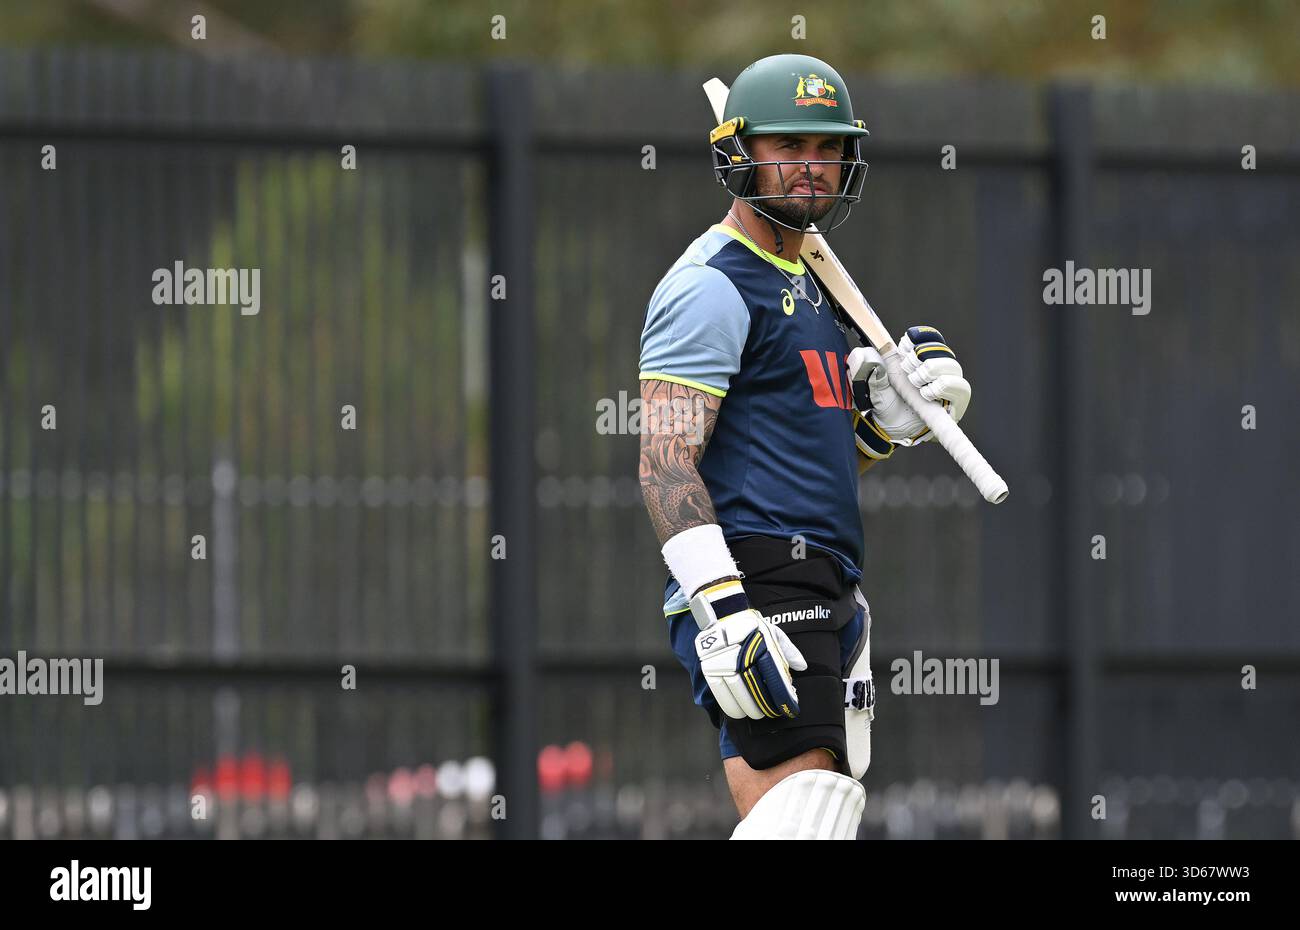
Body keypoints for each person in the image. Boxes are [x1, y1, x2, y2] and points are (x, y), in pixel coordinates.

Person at [637, 53, 973, 839]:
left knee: (814, 819)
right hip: (756, 581)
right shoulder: (710, 285)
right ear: (739, 152)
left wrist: (881, 425)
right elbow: (663, 463)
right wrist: (723, 610)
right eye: (788, 146)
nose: (811, 168)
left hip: (828, 577)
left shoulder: (814, 285)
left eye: (827, 149)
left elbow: (809, 457)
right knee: (803, 821)